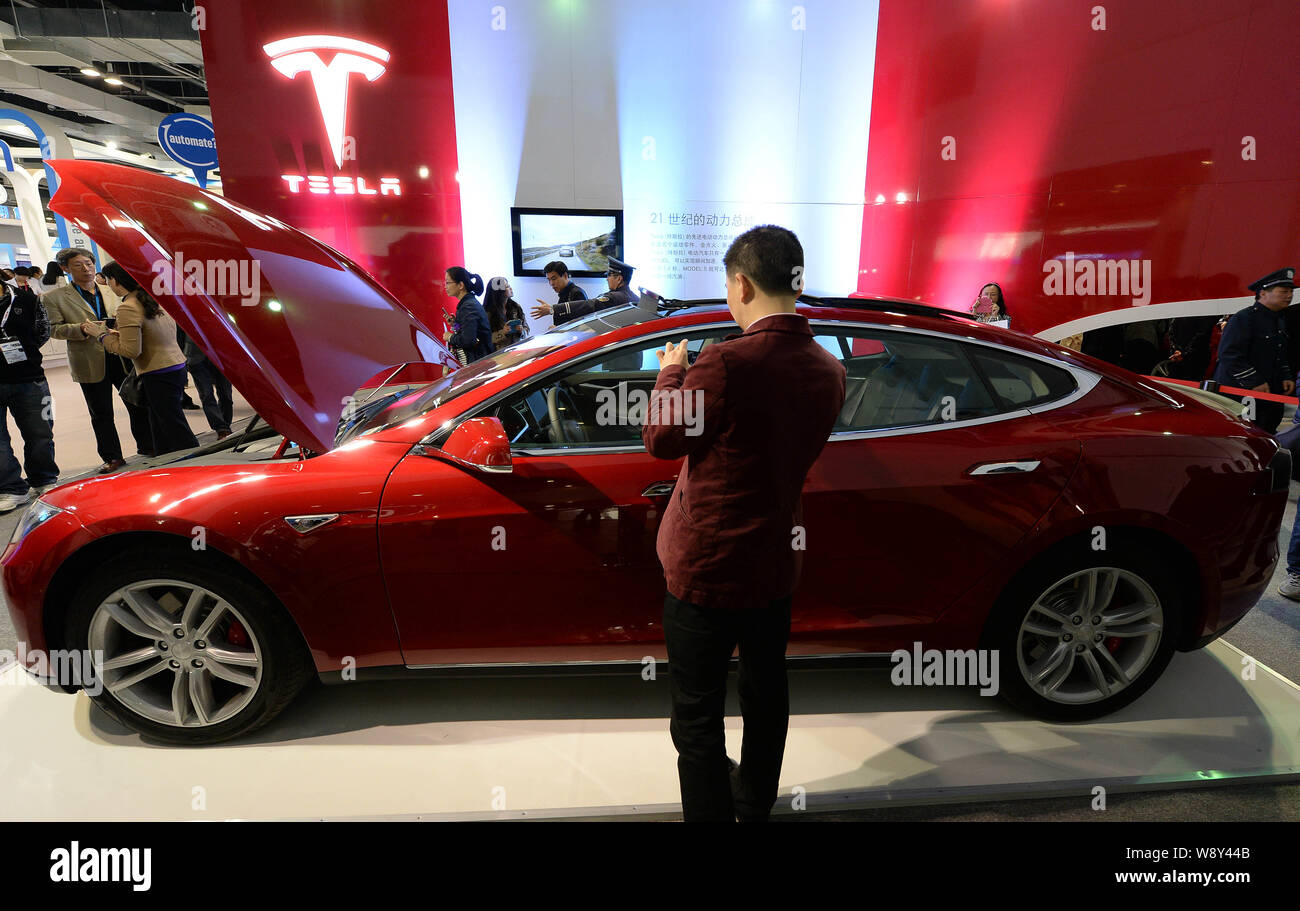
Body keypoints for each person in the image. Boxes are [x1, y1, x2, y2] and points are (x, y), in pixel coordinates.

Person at [643, 225, 846, 822]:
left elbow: (660, 437)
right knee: (765, 694)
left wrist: (672, 371)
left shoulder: (724, 362)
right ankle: (754, 801)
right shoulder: (830, 369)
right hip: (775, 564)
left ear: (742, 282)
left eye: (729, 289)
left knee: (697, 715)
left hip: (706, 567)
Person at [42, 248, 153, 472]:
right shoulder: (54, 298)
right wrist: (81, 329)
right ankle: (112, 456)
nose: (86, 269)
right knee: (101, 413)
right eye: (78, 265)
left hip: (121, 355)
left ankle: (148, 446)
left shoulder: (112, 290)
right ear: (65, 268)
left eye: (89, 264)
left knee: (137, 403)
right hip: (89, 360)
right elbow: (53, 329)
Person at [83, 262, 198, 455]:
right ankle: (165, 462)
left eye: (108, 279)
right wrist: (116, 333)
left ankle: (196, 464)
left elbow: (130, 351)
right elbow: (154, 334)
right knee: (160, 423)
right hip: (174, 365)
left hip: (157, 372)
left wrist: (101, 335)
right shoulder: (151, 298)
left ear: (115, 280)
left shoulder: (128, 307)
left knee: (173, 425)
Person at [1212, 267, 1296, 434]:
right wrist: (1254, 381)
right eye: (1283, 291)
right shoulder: (1244, 318)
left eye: (1290, 292)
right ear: (1263, 293)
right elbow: (1229, 354)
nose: (1289, 296)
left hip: (1268, 394)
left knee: (1267, 431)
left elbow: (1279, 352)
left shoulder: (1278, 319)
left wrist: (1286, 375)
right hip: (1241, 393)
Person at [0, 277, 58, 511]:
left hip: (30, 378)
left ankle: (44, 478)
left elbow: (42, 332)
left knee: (41, 432)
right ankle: (11, 487)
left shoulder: (26, 298)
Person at [532, 257, 638, 326]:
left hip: (617, 355)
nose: (606, 279)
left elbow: (590, 305)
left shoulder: (614, 297)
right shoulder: (636, 298)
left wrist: (553, 309)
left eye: (608, 275)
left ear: (619, 279)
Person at [178, 327, 234, 440]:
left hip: (221, 355)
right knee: (207, 395)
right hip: (195, 358)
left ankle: (226, 425)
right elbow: (179, 334)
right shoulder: (187, 310)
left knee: (226, 394)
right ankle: (221, 428)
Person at [443, 267, 494, 363]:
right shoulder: (468, 303)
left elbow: (468, 340)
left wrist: (450, 337)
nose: (445, 286)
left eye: (448, 282)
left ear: (461, 285)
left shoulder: (468, 306)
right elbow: (469, 331)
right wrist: (455, 325)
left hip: (479, 362)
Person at [483, 277, 529, 349]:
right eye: (507, 287)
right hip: (498, 354)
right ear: (499, 292)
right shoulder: (488, 313)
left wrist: (521, 331)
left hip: (517, 350)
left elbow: (527, 328)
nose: (511, 288)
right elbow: (485, 338)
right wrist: (503, 333)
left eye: (509, 285)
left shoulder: (516, 307)